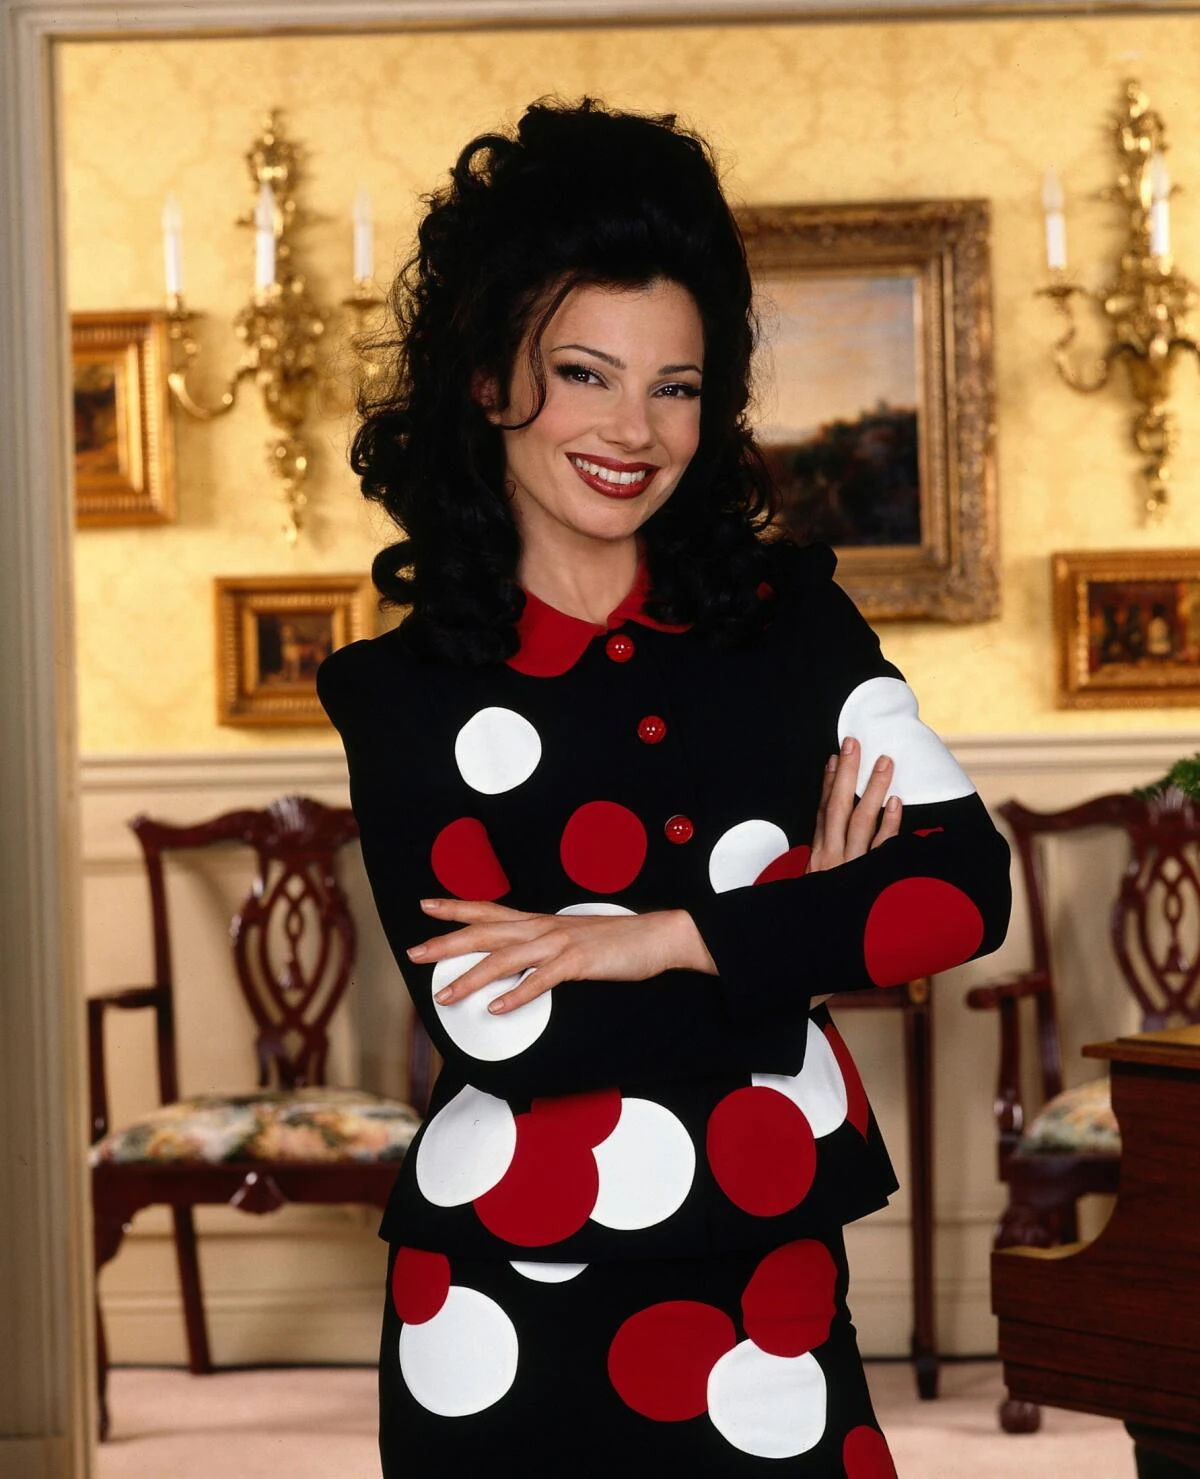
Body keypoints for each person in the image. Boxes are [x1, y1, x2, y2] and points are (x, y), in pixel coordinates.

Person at [318, 98, 1011, 1479]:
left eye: (677, 387)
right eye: (585, 373)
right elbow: (513, 1033)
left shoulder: (793, 627)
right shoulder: (400, 694)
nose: (633, 429)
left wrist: (655, 938)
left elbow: (963, 890)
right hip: (495, 1299)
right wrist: (798, 937)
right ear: (485, 380)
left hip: (767, 1267)